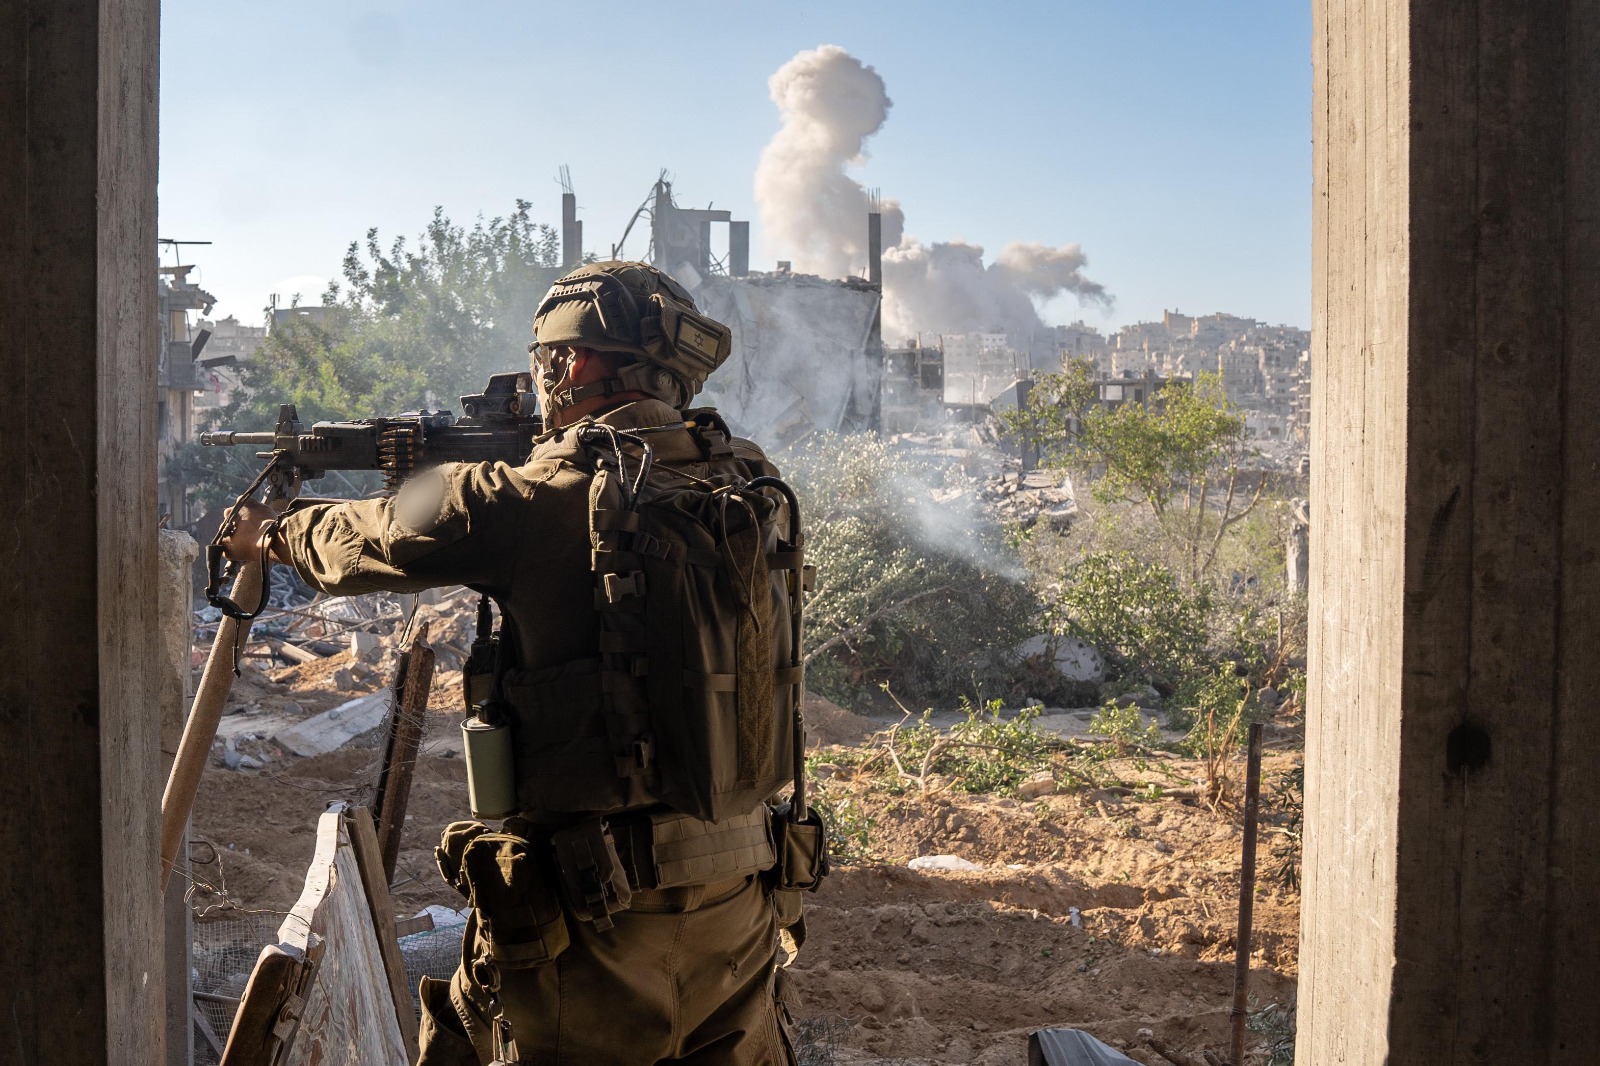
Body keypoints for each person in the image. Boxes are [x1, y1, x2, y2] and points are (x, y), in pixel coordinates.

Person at [221, 261, 816, 1065]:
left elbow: (377, 536)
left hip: (595, 926)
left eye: (544, 358)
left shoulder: (541, 494)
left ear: (572, 364)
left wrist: (273, 532)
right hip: (742, 901)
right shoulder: (745, 479)